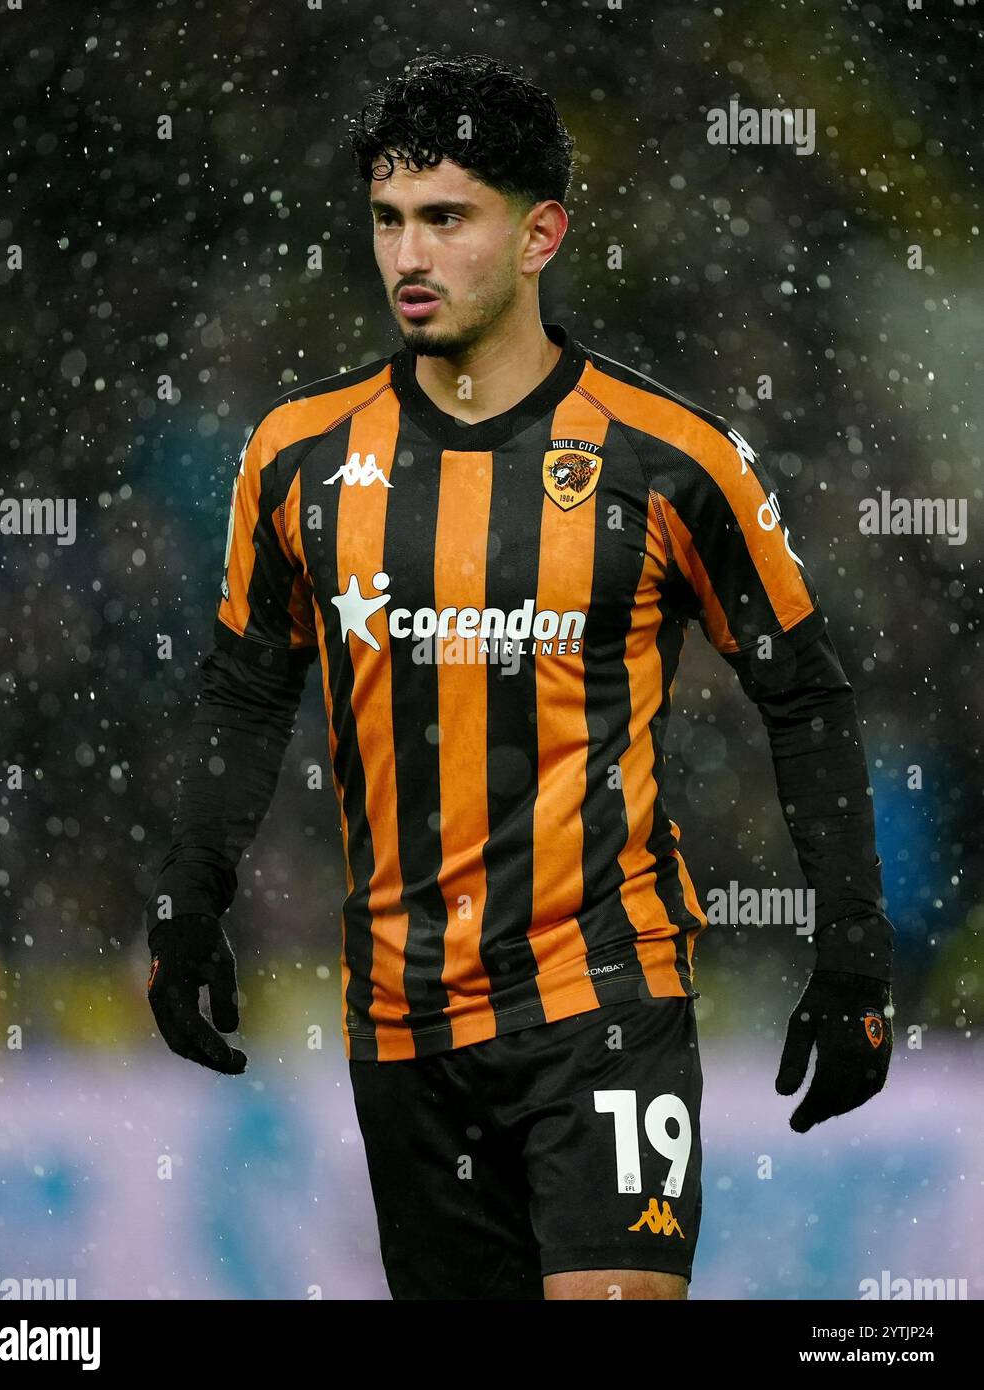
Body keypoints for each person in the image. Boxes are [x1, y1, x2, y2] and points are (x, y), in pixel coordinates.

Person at [145, 53, 894, 1301]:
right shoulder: (296, 458)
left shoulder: (671, 460)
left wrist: (855, 956)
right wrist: (186, 904)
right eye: (388, 219)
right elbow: (243, 691)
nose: (408, 255)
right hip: (401, 1013)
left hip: (605, 995)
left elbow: (804, 693)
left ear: (540, 232)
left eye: (447, 217)